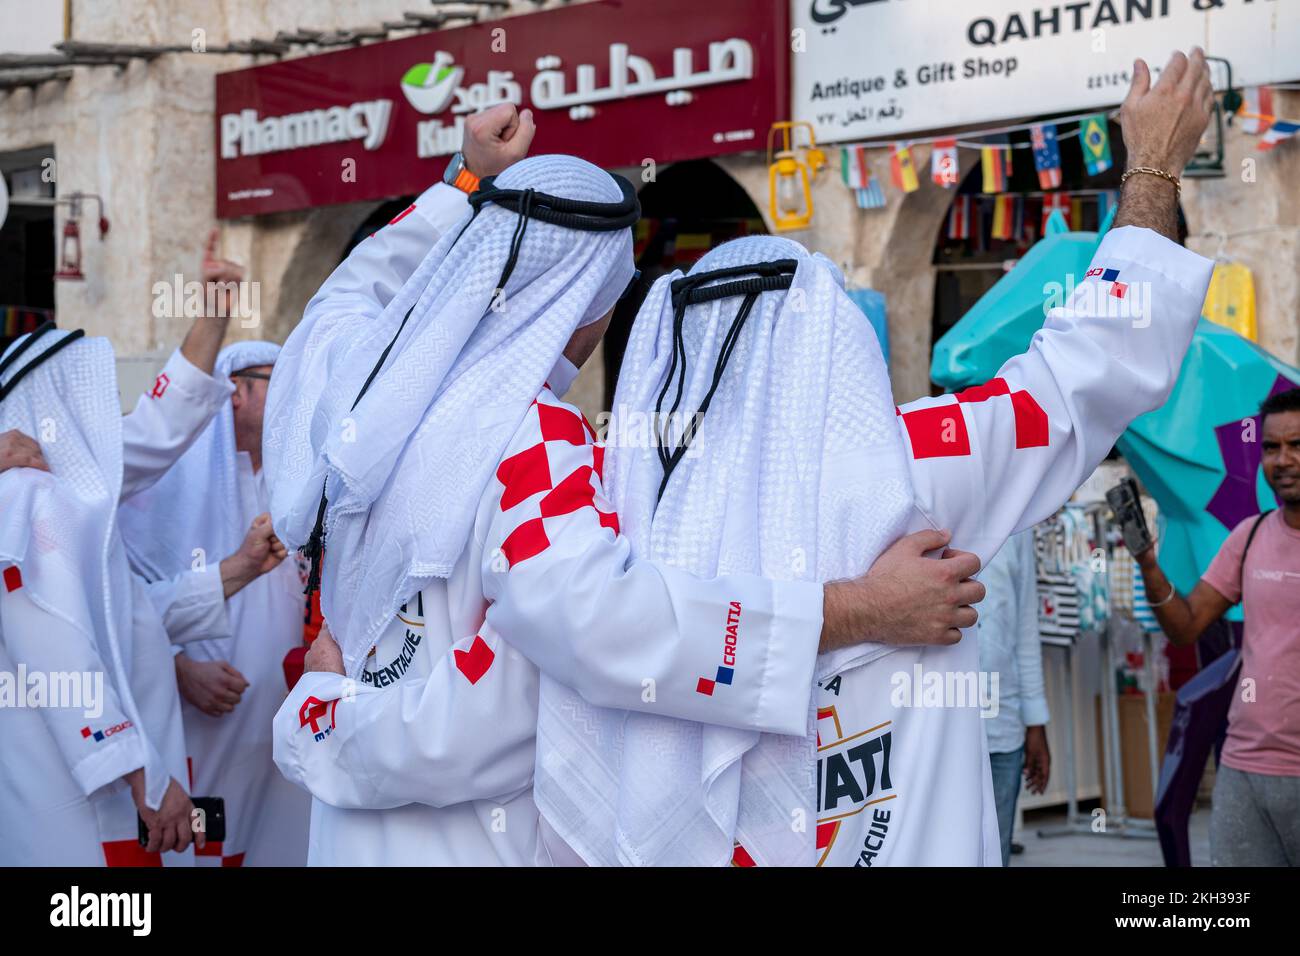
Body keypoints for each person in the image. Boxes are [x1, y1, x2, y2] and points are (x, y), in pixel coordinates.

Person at [532, 47, 1217, 866]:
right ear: (831, 343)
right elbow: (1090, 365)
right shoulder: (913, 467)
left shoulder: (609, 512)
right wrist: (1152, 168)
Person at [267, 106, 982, 865]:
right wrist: (856, 610)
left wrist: (464, 181)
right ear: (588, 310)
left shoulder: (347, 395)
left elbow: (347, 298)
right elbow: (590, 637)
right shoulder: (532, 442)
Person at [0, 320, 285, 864]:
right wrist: (145, 777)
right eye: (95, 397)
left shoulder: (63, 502)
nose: (108, 414)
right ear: (58, 404)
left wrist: (237, 570)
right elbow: (59, 657)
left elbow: (130, 620)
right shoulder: (32, 500)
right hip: (76, 812)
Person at [119, 340, 310, 867]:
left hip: (278, 731)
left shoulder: (297, 483)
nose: (296, 394)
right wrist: (179, 669)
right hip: (199, 726)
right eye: (278, 380)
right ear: (233, 394)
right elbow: (119, 611)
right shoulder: (157, 493)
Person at [1134, 386, 1300, 866]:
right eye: (1271, 448)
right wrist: (1149, 567)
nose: (1283, 460)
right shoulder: (1248, 538)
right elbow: (1185, 627)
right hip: (1243, 769)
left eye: (1297, 445)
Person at [976, 530, 1050, 866]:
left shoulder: (1018, 522)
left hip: (1002, 730)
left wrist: (1035, 721)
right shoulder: (922, 506)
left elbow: (1024, 629)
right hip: (932, 730)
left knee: (995, 855)